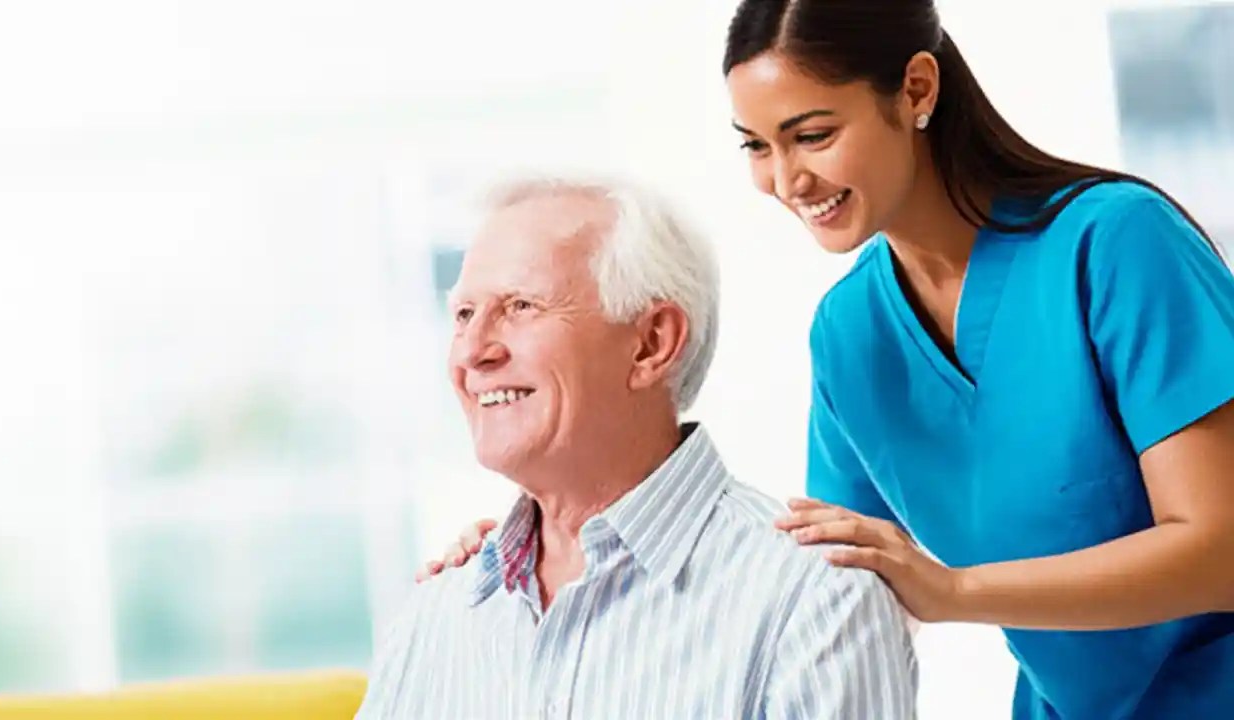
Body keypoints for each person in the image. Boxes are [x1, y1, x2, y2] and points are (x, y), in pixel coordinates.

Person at [418, 1, 1234, 718]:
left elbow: (1221, 549)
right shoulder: (852, 332)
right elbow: (833, 573)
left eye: (813, 135)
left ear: (916, 90)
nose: (785, 179)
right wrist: (556, 550)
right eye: (757, 146)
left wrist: (953, 593)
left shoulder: (1115, 245)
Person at [355, 176, 918, 719]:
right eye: (463, 315)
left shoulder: (816, 600)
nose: (473, 351)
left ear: (651, 344)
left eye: (521, 306)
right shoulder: (437, 615)